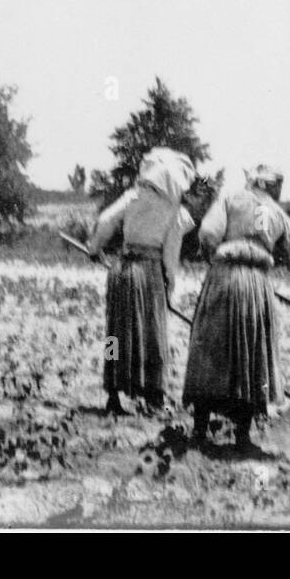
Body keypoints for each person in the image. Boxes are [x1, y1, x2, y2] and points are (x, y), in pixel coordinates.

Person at [182, 165, 290, 455]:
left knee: (210, 348)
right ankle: (242, 436)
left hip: (223, 277)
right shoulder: (278, 215)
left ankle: (200, 430)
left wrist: (216, 258)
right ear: (272, 188)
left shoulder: (230, 199)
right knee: (252, 353)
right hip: (255, 285)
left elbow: (208, 234)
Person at [88, 148, 197, 415]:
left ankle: (113, 394)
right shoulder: (174, 211)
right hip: (149, 273)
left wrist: (94, 249)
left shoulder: (133, 196)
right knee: (153, 335)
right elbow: (171, 254)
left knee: (115, 334)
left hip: (122, 269)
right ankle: (153, 398)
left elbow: (104, 221)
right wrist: (169, 285)